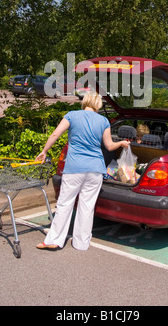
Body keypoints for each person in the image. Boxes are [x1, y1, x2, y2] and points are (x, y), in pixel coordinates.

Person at [35, 91, 130, 251]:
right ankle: (81, 243)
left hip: (75, 168)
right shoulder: (103, 121)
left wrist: (44, 151)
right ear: (98, 104)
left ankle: (55, 240)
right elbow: (109, 146)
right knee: (87, 207)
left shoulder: (72, 115)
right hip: (95, 170)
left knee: (65, 204)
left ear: (84, 101)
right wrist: (120, 143)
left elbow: (56, 133)